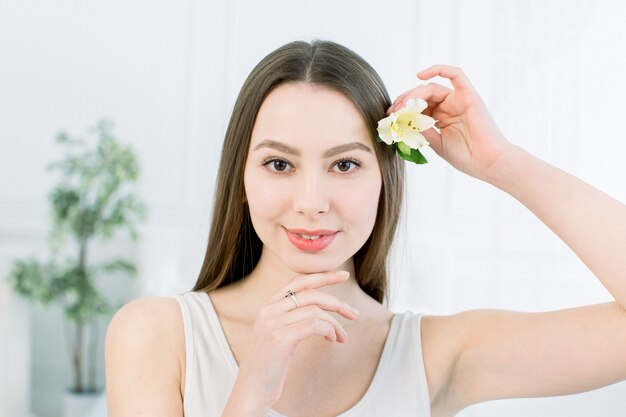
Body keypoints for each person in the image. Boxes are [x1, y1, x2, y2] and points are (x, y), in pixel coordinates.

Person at [104, 39, 626, 417]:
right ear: (241, 176)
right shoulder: (156, 336)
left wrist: (503, 164)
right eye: (279, 164)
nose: (311, 203)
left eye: (345, 165)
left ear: (384, 180)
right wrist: (252, 392)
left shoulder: (435, 356)